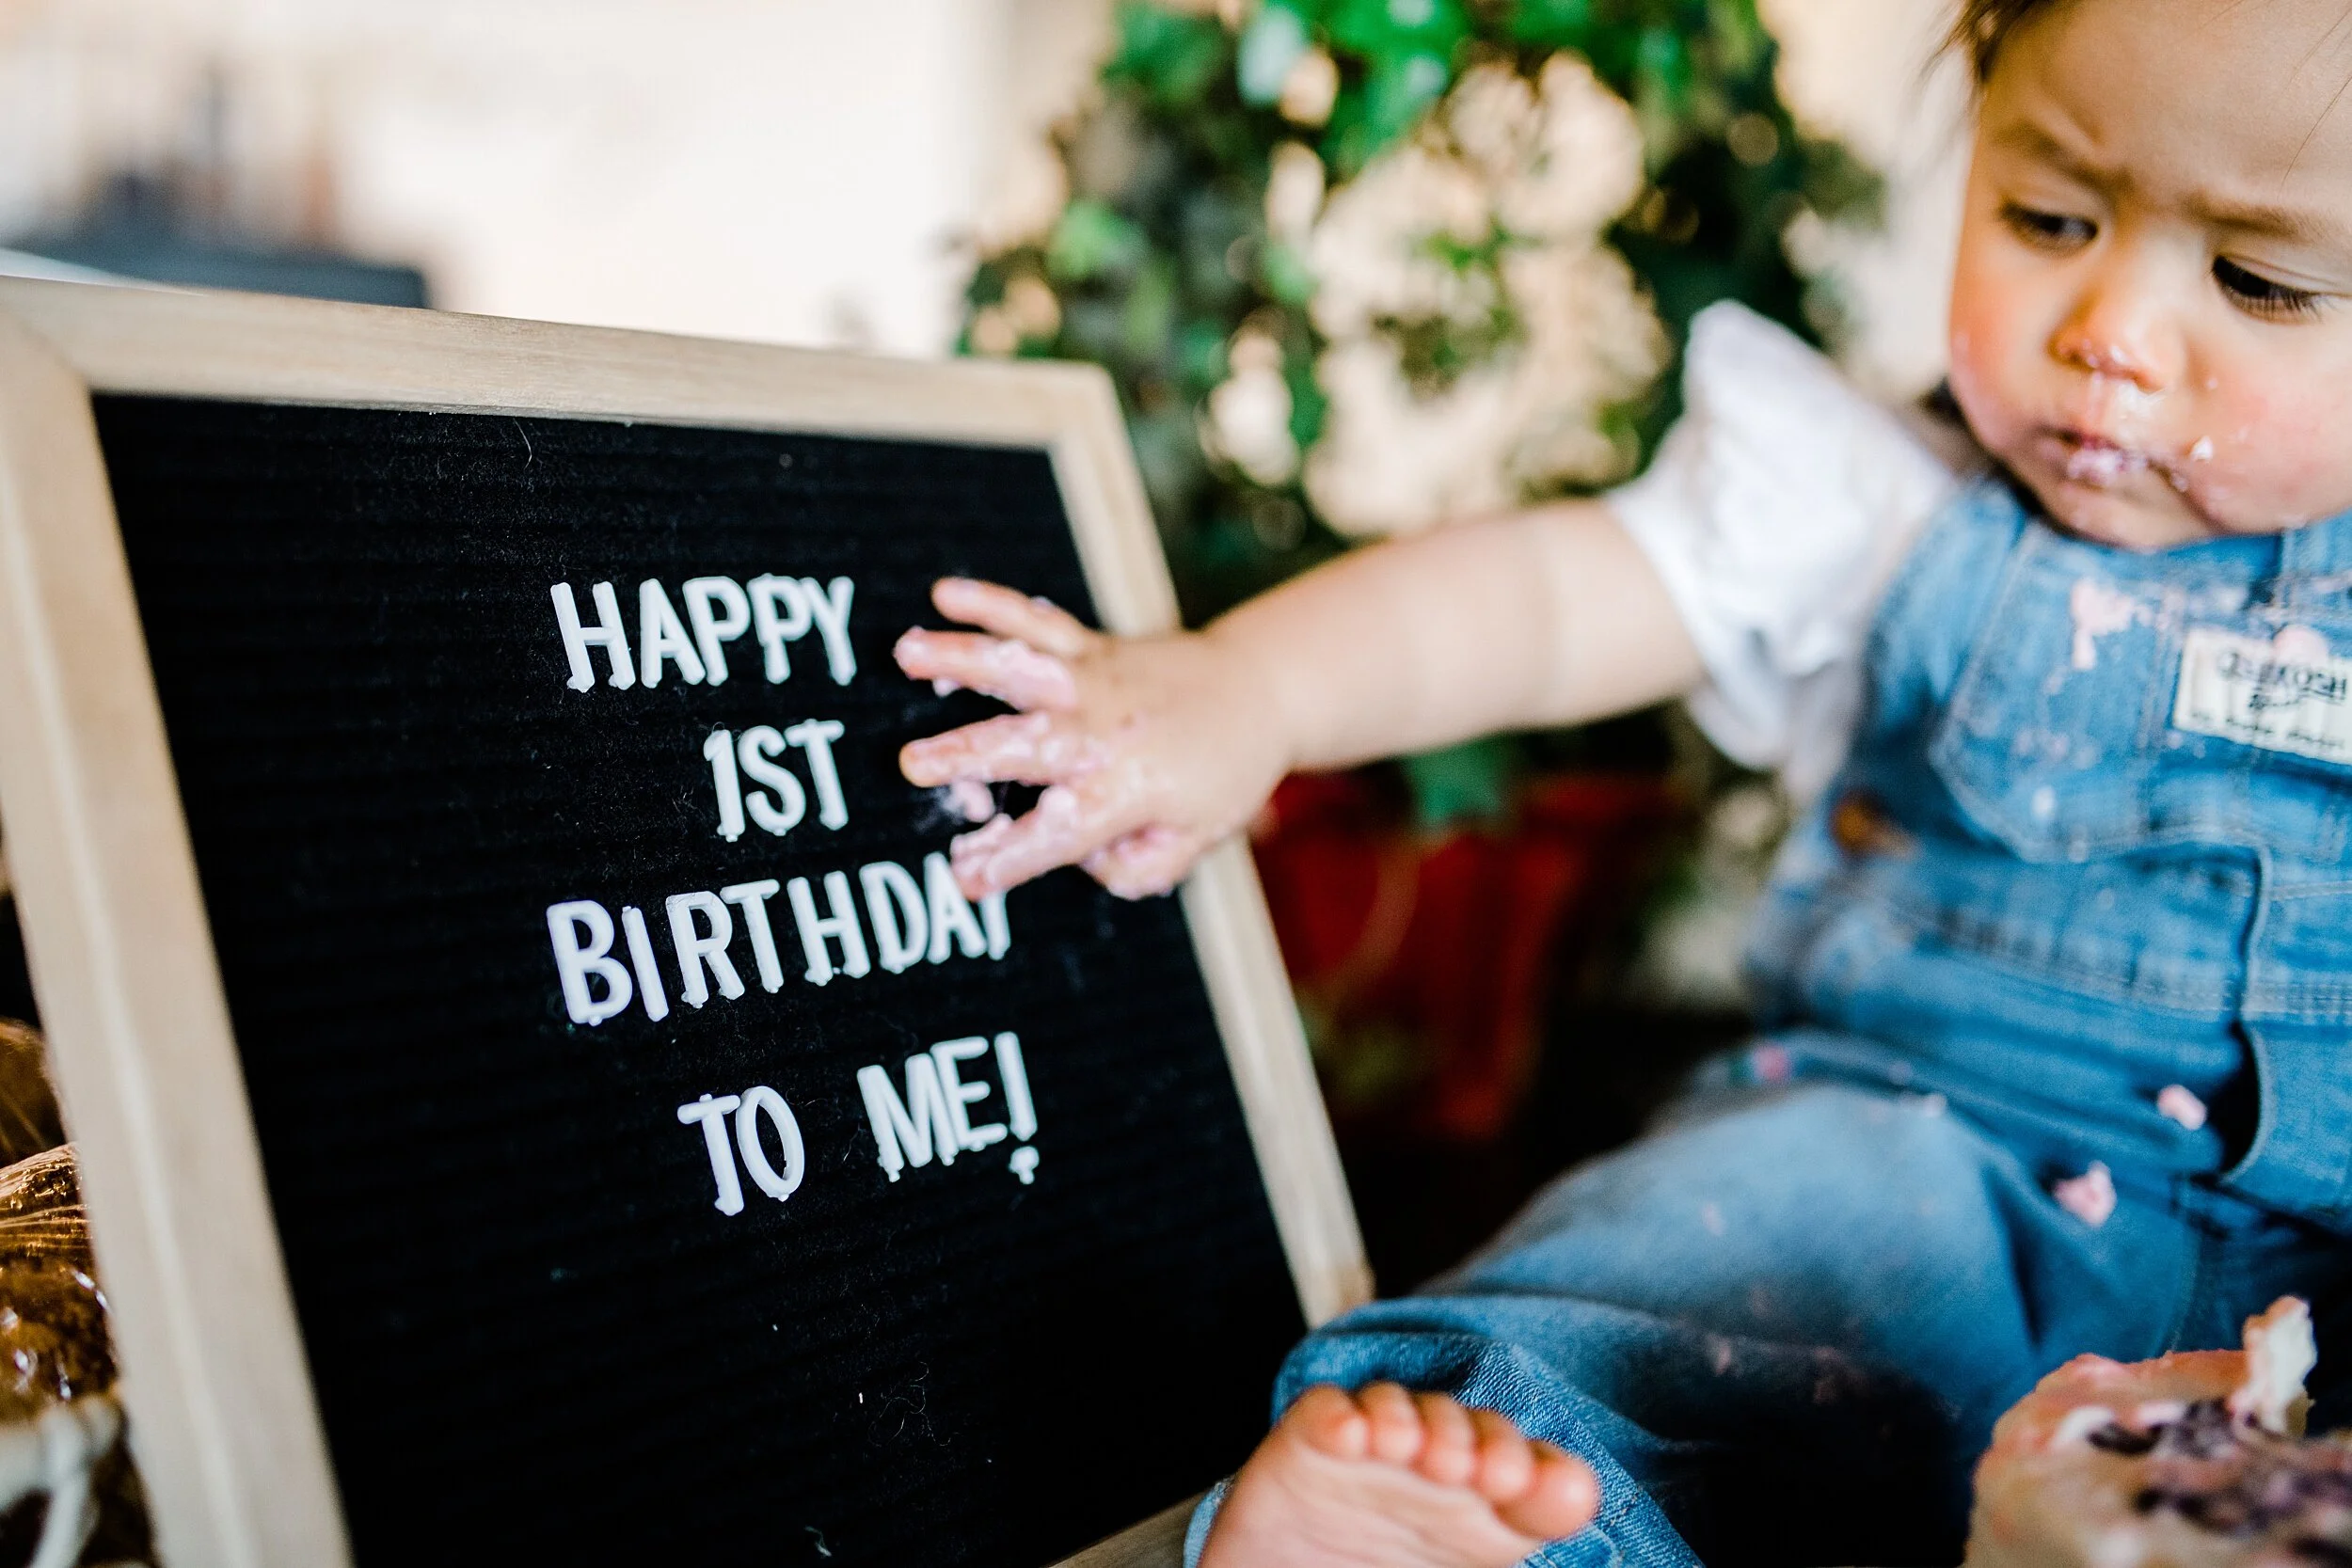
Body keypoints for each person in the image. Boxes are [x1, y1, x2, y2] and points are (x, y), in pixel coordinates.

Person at [895, 0, 2352, 1561]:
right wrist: (1256, 687)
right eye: (2046, 215)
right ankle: (1482, 1520)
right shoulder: (1882, 503)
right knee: (1669, 1306)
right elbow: (1562, 594)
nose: (2106, 329)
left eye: (2260, 279)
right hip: (1918, 1169)